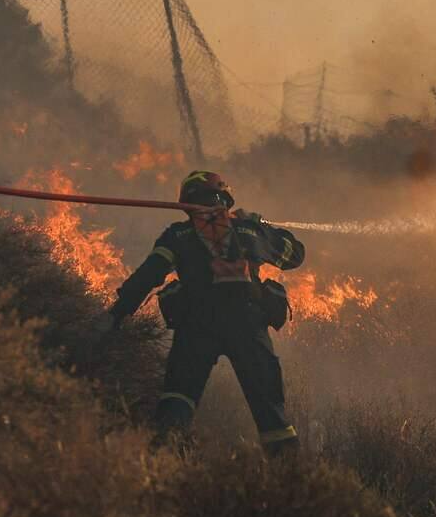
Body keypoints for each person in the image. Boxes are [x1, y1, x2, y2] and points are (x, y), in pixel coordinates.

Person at [101, 170, 305, 456]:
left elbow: (147, 276)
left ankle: (161, 468)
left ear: (187, 202)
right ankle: (292, 480)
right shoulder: (248, 230)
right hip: (247, 324)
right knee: (269, 409)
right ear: (225, 198)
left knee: (178, 399)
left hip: (196, 325)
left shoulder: (177, 235)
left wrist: (116, 314)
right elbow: (295, 255)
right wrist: (264, 227)